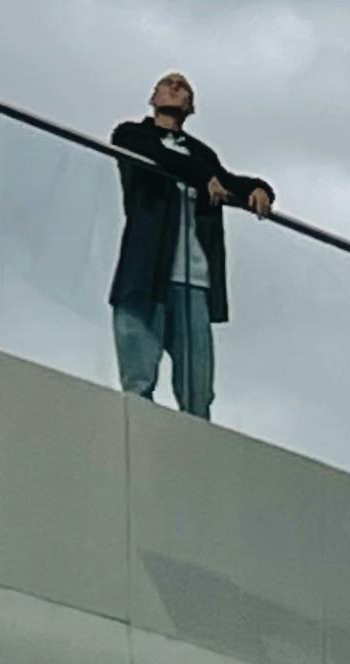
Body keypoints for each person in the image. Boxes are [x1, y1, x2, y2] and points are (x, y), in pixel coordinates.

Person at [108, 71, 274, 421]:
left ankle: (193, 443)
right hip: (145, 269)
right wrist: (203, 177)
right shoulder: (131, 133)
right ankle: (138, 437)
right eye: (167, 83)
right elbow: (154, 155)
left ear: (191, 106)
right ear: (153, 97)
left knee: (198, 388)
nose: (174, 87)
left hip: (193, 278)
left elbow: (229, 181)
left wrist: (260, 188)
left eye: (182, 87)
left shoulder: (201, 154)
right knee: (138, 376)